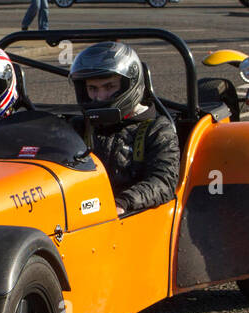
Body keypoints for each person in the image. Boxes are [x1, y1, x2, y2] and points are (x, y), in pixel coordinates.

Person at [68, 42, 179, 215]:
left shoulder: (157, 129)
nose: (100, 97)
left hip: (131, 219)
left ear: (129, 84)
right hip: (82, 215)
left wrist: (123, 203)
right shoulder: (78, 127)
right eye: (92, 88)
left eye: (109, 87)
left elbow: (164, 181)